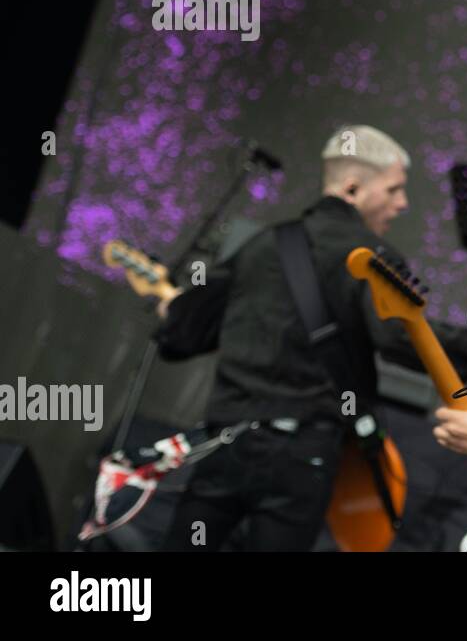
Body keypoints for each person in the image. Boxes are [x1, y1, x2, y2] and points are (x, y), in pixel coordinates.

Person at [153, 125, 443, 551]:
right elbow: (400, 339)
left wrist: (176, 309)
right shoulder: (371, 256)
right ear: (353, 188)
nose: (402, 204)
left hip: (228, 443)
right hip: (303, 456)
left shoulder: (261, 245)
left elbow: (178, 338)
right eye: (395, 190)